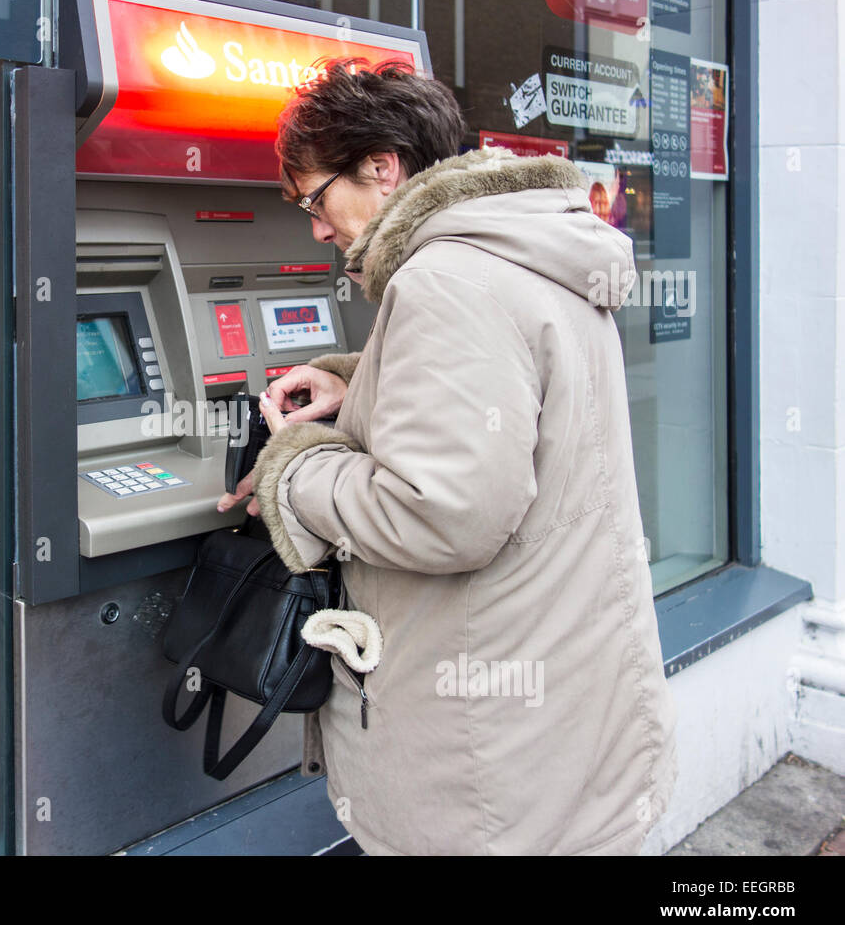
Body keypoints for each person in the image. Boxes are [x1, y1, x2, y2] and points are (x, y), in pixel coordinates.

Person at [217, 58, 678, 855]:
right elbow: (517, 392)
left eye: (314, 198)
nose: (316, 228)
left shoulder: (446, 281)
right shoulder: (527, 248)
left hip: (487, 772)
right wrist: (355, 383)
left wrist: (296, 469)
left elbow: (443, 513)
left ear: (382, 167)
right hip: (568, 715)